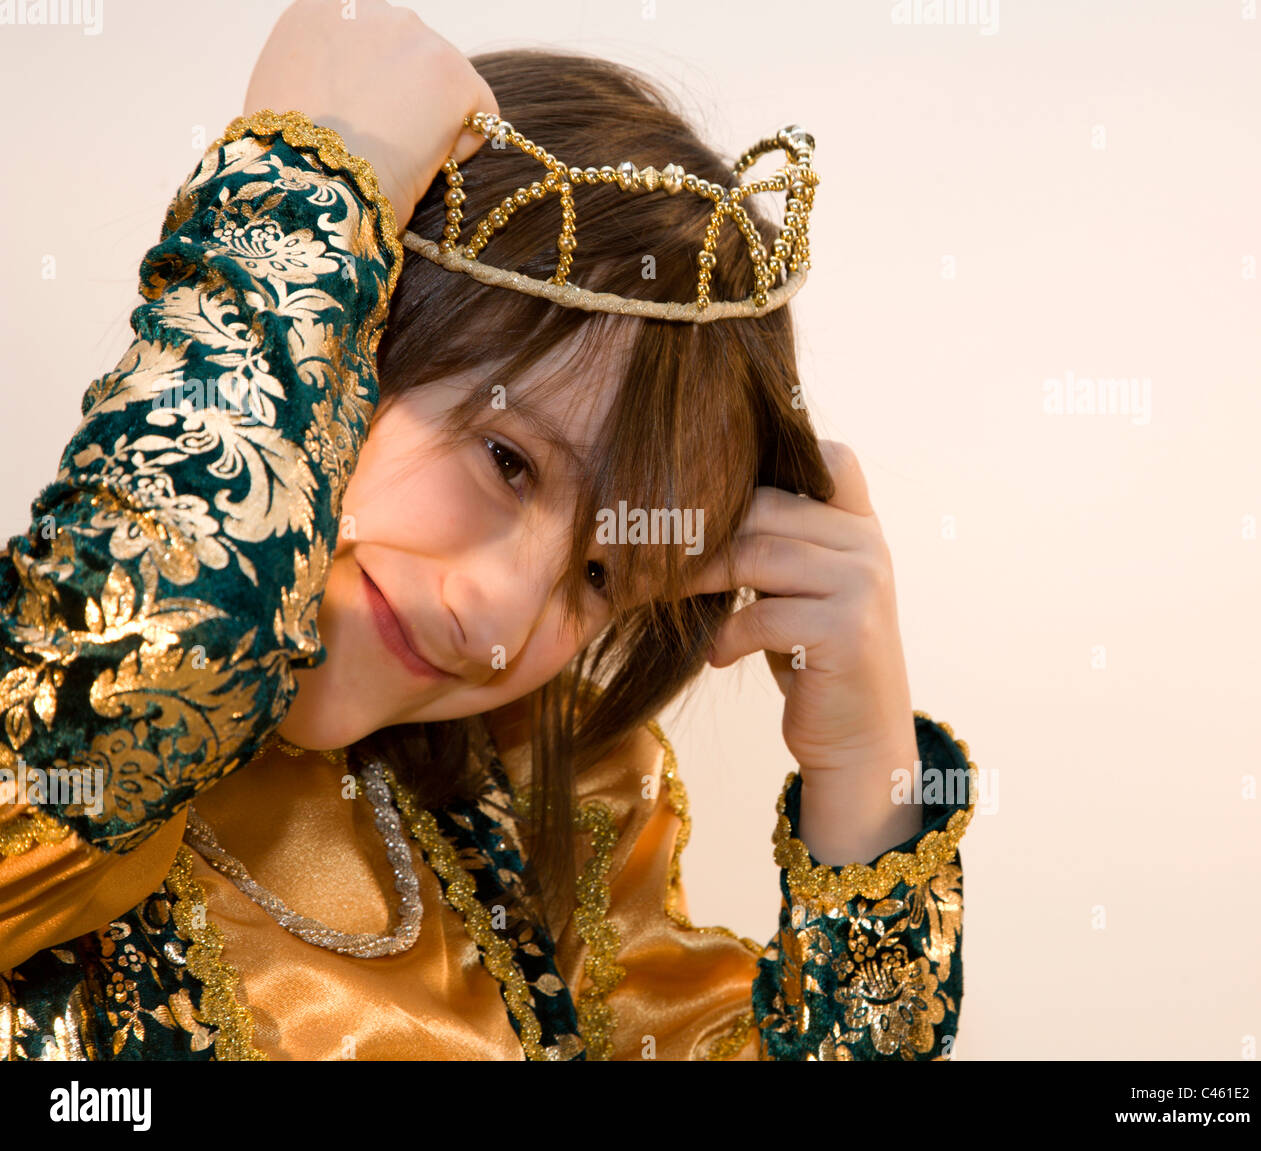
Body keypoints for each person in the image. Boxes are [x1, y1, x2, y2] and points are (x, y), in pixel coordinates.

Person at [0, 0, 977, 1061]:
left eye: (604, 571)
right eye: (506, 460)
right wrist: (295, 201)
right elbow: (137, 679)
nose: (504, 611)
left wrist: (866, 775)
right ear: (343, 327)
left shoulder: (540, 820)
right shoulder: (45, 740)